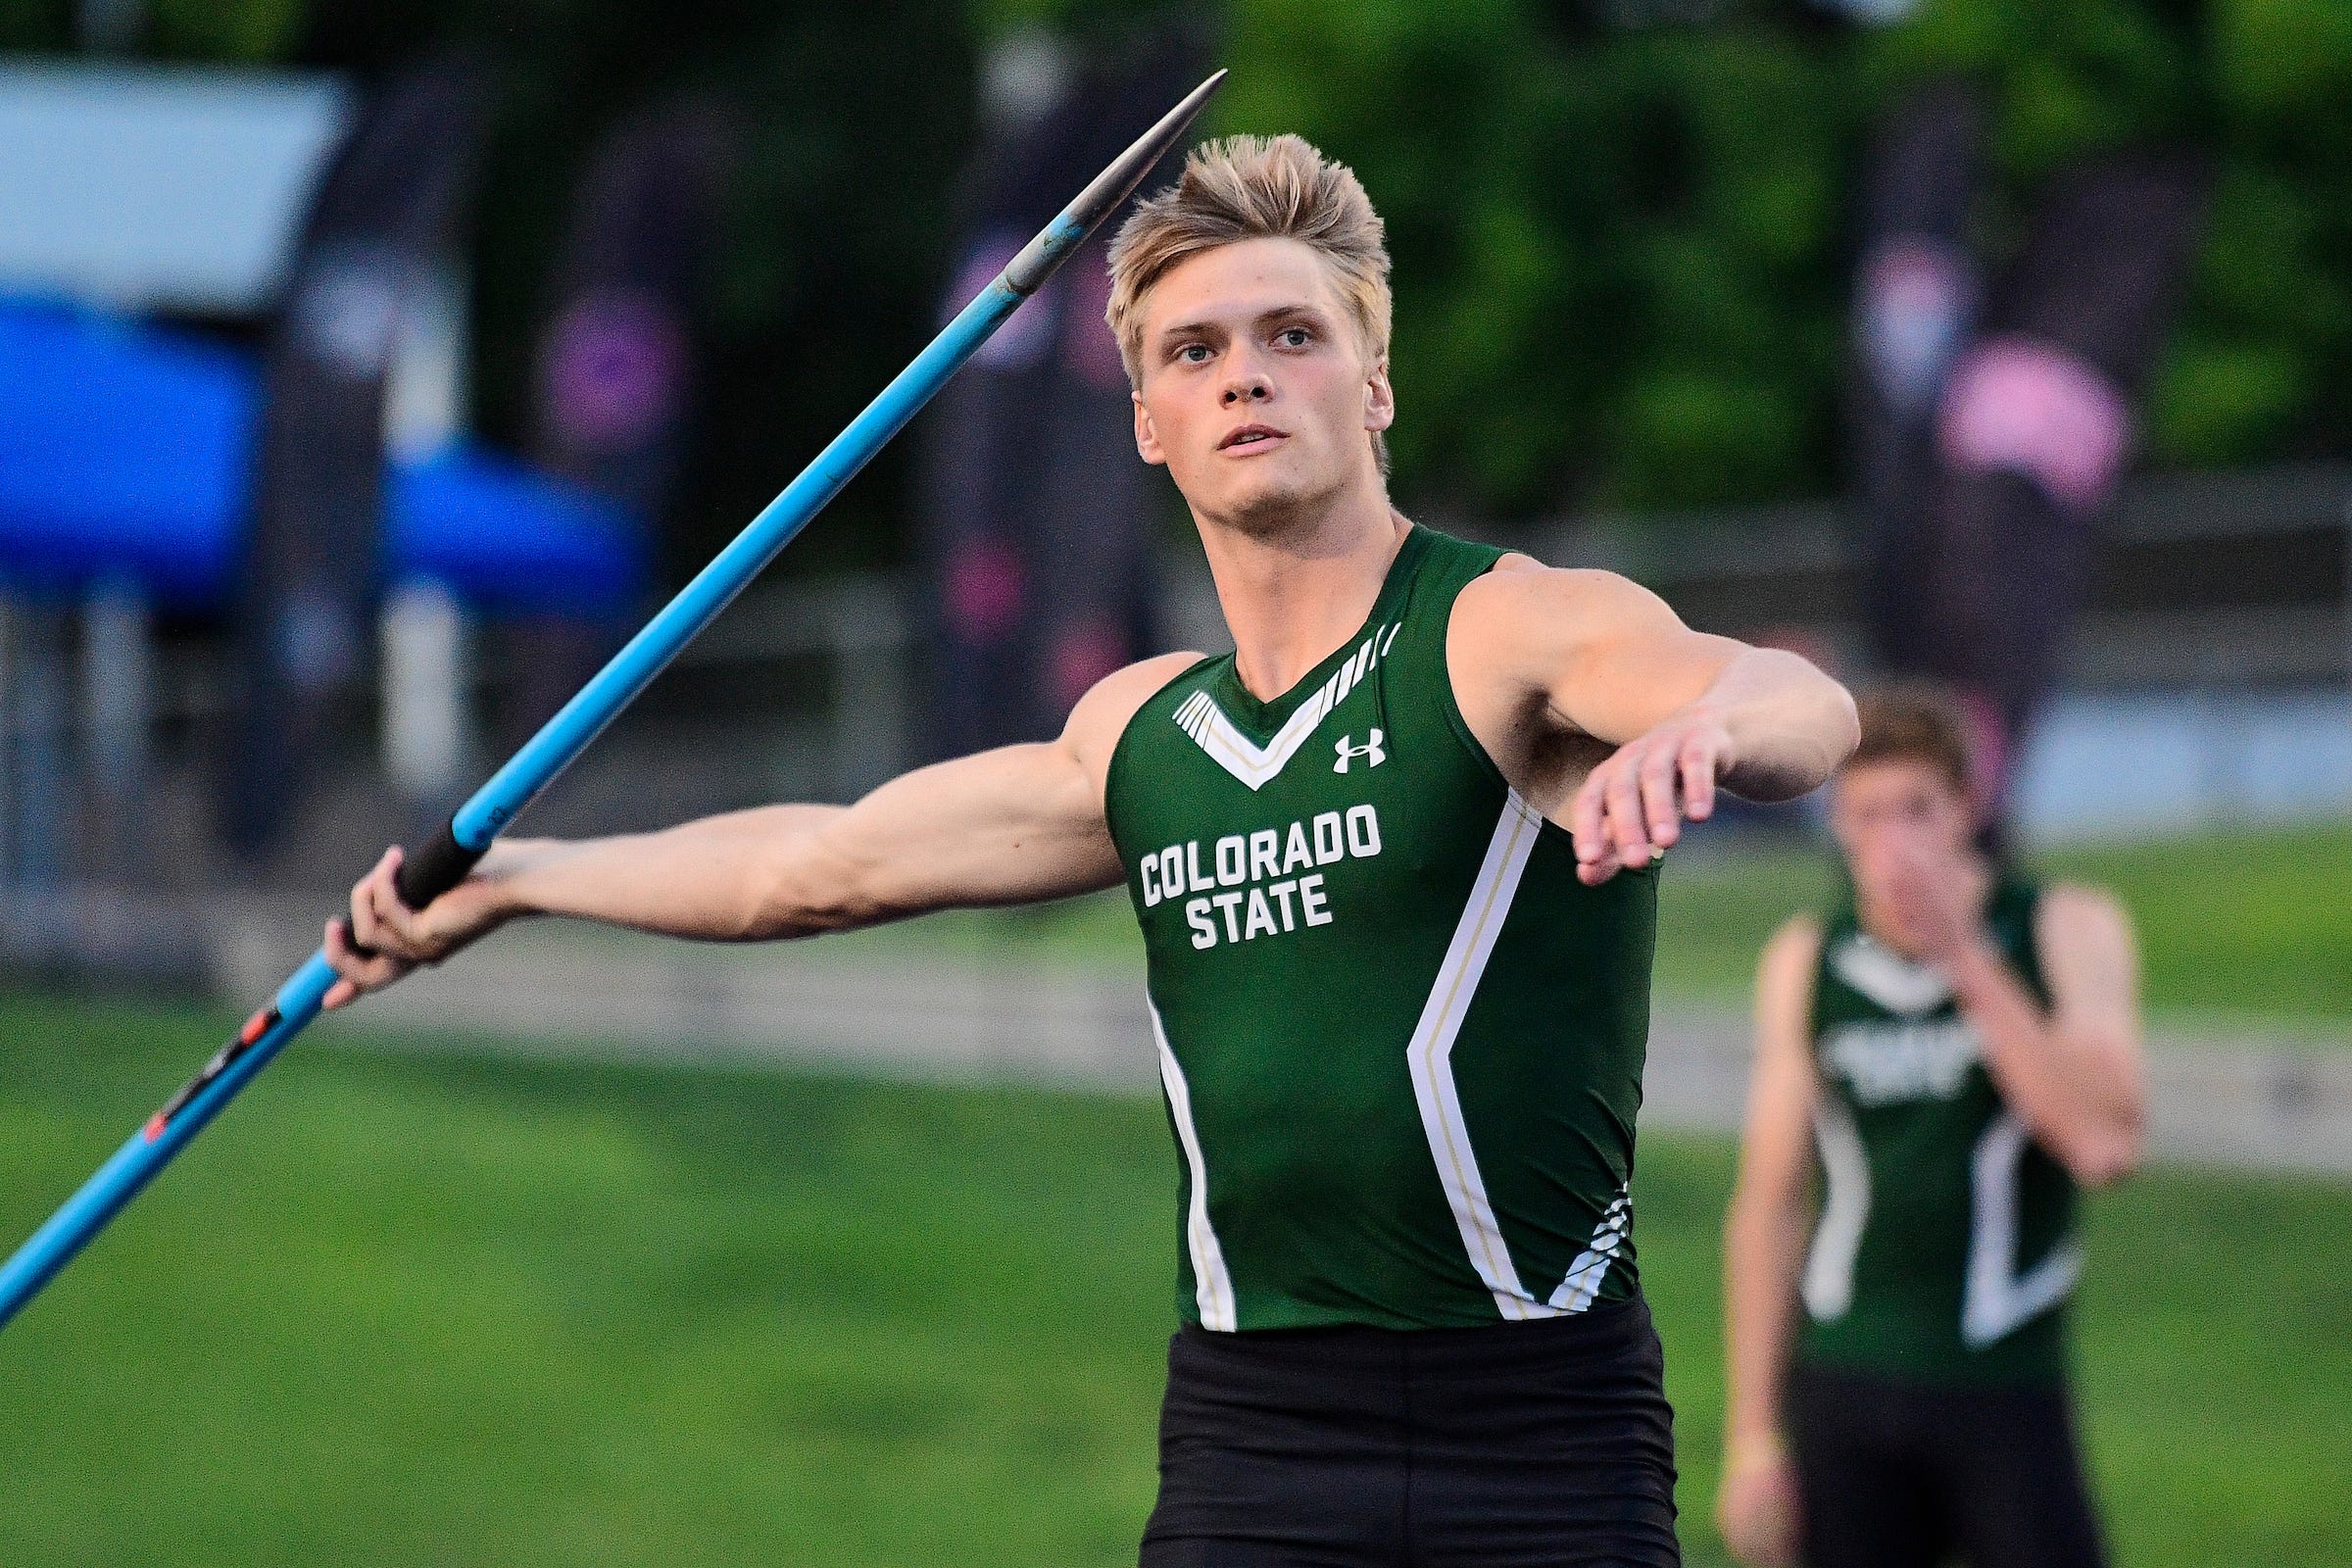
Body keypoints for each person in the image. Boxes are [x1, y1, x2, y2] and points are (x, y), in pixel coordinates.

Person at [325, 134, 1858, 1568]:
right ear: (1148, 424)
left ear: (1376, 385)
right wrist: (518, 883)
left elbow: (1806, 703)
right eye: (1195, 354)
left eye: (1292, 335)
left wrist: (1703, 732)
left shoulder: (1502, 627)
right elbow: (818, 864)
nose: (1244, 377)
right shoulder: (1136, 736)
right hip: (1253, 1440)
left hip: (1539, 1436)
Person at [1714, 685, 2145, 1568]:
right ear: (1837, 822)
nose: (1894, 841)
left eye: (1918, 809)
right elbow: (1769, 1205)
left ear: (1969, 809)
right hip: (1845, 1380)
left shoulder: (2063, 926)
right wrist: (1753, 1438)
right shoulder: (1809, 958)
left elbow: (2103, 1142)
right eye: (1868, 813)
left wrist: (1961, 953)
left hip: (2002, 1383)